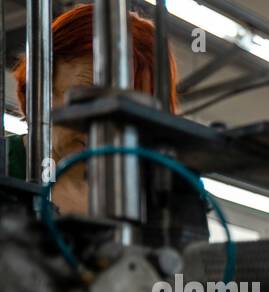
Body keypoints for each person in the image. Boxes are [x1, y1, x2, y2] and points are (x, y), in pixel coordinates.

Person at [11, 3, 180, 214]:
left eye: (132, 114)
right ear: (40, 88)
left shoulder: (152, 201)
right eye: (86, 98)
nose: (104, 126)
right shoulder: (6, 167)